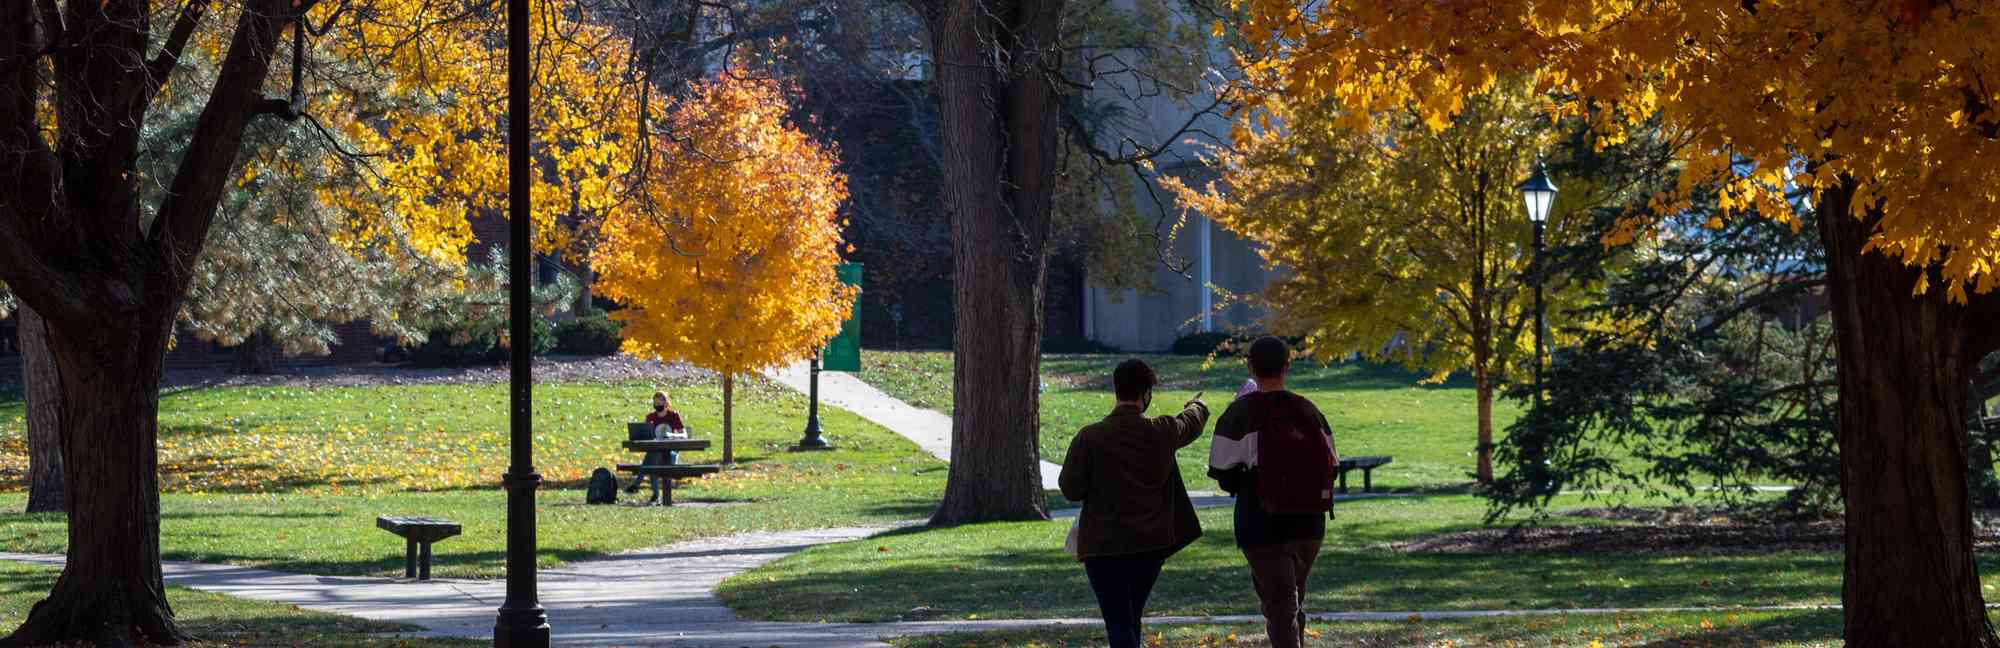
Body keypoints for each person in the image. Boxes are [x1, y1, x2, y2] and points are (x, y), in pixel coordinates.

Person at [1059, 359, 1210, 648]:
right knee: (1130, 617)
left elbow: (1070, 489)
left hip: (1102, 547)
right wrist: (1197, 405)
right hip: (1149, 545)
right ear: (1146, 395)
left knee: (1119, 622)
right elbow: (1189, 422)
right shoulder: (1161, 431)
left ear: (1116, 390)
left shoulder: (1090, 437)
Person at [1208, 337, 1337, 648]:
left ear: (1250, 366)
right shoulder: (1308, 410)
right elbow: (1332, 464)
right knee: (1292, 602)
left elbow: (1221, 471)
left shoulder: (1240, 414)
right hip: (1310, 523)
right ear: (1287, 366)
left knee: (1280, 608)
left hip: (1261, 522)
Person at [628, 390, 687, 496]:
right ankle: (654, 495)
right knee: (652, 460)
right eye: (655, 403)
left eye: (659, 403)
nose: (657, 405)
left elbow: (684, 435)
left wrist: (672, 435)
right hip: (655, 451)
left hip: (670, 453)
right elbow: (646, 435)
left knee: (650, 461)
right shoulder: (650, 417)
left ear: (665, 403)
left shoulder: (673, 415)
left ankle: (639, 486)